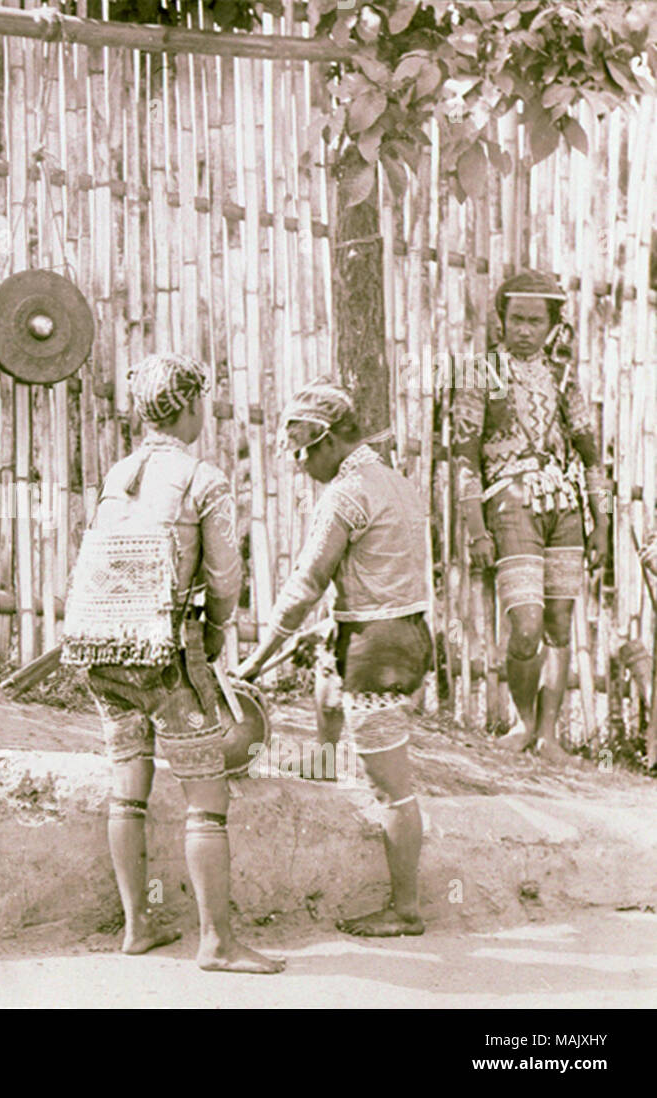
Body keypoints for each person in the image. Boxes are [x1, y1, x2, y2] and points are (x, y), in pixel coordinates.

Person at [63, 351, 284, 973]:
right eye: (201, 404)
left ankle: (138, 925)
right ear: (189, 406)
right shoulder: (201, 480)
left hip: (104, 650)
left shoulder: (118, 474)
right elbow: (223, 576)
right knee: (206, 800)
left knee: (127, 788)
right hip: (166, 652)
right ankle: (217, 942)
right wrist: (213, 638)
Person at [238, 379, 431, 937]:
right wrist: (333, 626)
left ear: (327, 442)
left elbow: (307, 582)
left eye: (301, 454)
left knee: (390, 784)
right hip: (398, 627)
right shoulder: (396, 483)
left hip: (382, 645)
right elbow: (387, 572)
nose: (299, 466)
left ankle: (406, 908)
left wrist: (258, 657)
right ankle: (324, 761)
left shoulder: (345, 496)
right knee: (327, 681)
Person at [452, 270, 609, 762]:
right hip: (509, 503)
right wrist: (476, 528)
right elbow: (464, 457)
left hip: (564, 509)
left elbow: (590, 456)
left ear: (551, 325)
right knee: (525, 625)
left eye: (534, 321)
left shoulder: (564, 378)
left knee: (560, 624)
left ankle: (549, 735)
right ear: (500, 321)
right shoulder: (481, 374)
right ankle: (522, 723)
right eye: (515, 319)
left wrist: (600, 522)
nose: (523, 329)